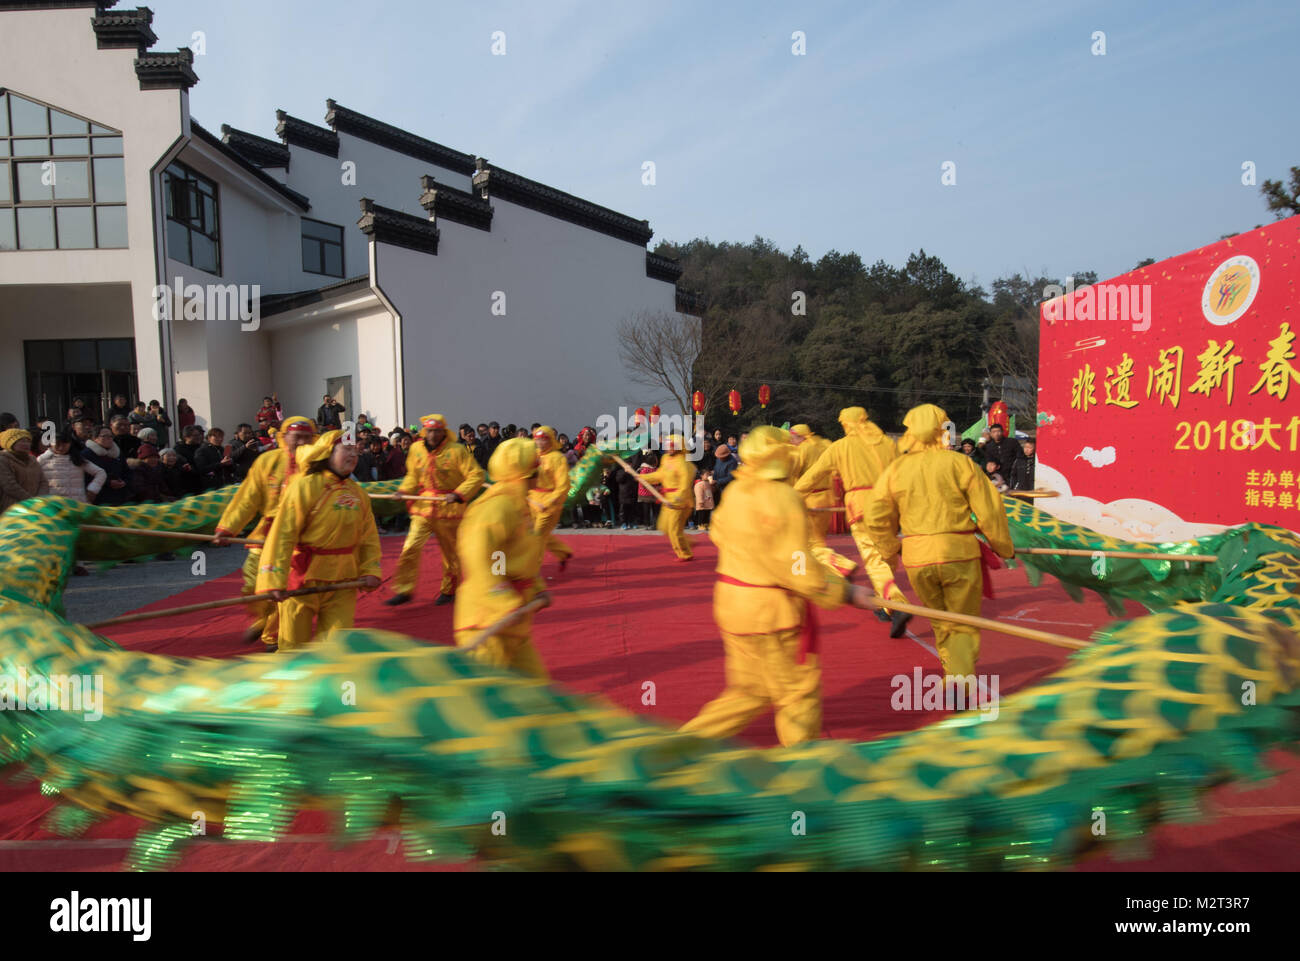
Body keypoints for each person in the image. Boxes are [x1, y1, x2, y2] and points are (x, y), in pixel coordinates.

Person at [679, 426, 877, 747]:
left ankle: (677, 748)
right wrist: (846, 592)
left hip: (733, 606)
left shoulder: (736, 493)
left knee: (749, 692)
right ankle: (804, 771)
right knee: (798, 693)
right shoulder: (784, 498)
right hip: (772, 615)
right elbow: (797, 567)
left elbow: (718, 534)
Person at [865, 403, 1015, 679]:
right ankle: (959, 680)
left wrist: (891, 547)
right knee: (963, 623)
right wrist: (1003, 546)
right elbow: (989, 511)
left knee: (941, 621)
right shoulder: (960, 463)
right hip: (959, 554)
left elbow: (874, 516)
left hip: (917, 557)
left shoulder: (896, 469)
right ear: (941, 430)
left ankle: (953, 672)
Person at [257, 430, 382, 651]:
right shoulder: (304, 486)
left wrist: (371, 568)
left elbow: (368, 536)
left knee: (338, 647)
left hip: (344, 580)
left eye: (356, 451)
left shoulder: (358, 494)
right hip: (304, 578)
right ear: (327, 452)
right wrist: (273, 579)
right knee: (293, 649)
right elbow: (283, 534)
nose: (353, 455)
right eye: (346, 449)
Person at [793, 406, 911, 636]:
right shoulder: (887, 444)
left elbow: (814, 475)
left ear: (846, 424)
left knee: (874, 560)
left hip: (862, 507)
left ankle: (896, 604)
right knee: (886, 554)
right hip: (889, 505)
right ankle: (888, 607)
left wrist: (790, 496)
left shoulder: (841, 446)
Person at [213, 416, 317, 648]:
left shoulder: (318, 464)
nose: (301, 442)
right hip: (266, 534)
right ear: (283, 436)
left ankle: (273, 636)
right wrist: (228, 527)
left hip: (301, 538)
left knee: (285, 588)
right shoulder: (267, 461)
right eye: (296, 436)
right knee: (253, 584)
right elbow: (248, 498)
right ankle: (261, 619)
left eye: (306, 437)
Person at [453, 437, 552, 677]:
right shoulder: (498, 507)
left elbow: (515, 559)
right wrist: (503, 601)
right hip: (486, 623)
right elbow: (479, 558)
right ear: (523, 474)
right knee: (484, 704)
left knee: (537, 695)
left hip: (512, 624)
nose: (540, 475)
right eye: (535, 470)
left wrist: (537, 587)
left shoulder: (519, 508)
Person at [386, 414, 485, 607]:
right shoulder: (415, 449)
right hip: (423, 507)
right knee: (410, 547)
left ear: (443, 432)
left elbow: (476, 475)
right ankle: (404, 589)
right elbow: (412, 475)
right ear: (424, 431)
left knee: (450, 554)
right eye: (429, 431)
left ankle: (448, 590)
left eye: (436, 431)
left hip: (449, 509)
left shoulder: (457, 451)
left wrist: (458, 494)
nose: (432, 435)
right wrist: (403, 491)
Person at [636, 434, 695, 561]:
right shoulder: (665, 458)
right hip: (667, 499)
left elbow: (685, 485)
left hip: (680, 502)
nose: (668, 447)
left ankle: (685, 554)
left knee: (673, 530)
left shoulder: (683, 463)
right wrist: (642, 477)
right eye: (668, 445)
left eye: (671, 445)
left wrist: (677, 500)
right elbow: (659, 475)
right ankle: (686, 541)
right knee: (663, 526)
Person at [529, 426, 574, 569]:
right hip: (532, 500)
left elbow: (563, 485)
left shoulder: (558, 458)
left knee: (537, 537)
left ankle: (531, 570)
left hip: (549, 504)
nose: (539, 443)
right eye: (537, 439)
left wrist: (549, 502)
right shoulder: (531, 455)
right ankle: (562, 552)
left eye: (543, 440)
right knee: (537, 534)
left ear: (550, 441)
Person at [38, 429, 105, 503]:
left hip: (76, 504)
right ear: (51, 444)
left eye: (64, 445)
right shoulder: (43, 459)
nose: (61, 448)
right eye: (57, 445)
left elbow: (101, 473)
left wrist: (92, 490)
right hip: (53, 505)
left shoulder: (77, 459)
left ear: (70, 444)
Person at [0, 429, 50, 514]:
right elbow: (9, 485)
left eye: (28, 441)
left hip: (34, 508)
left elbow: (43, 482)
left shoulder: (33, 460)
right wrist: (30, 500)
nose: (26, 444)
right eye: (21, 441)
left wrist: (39, 499)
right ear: (10, 443)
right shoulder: (3, 460)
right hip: (12, 509)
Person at [83, 424, 132, 505]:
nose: (109, 439)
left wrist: (124, 481)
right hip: (98, 498)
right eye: (105, 436)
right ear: (95, 438)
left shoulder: (117, 453)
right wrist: (108, 483)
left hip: (119, 497)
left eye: (111, 436)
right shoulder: (87, 455)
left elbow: (127, 471)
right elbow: (86, 477)